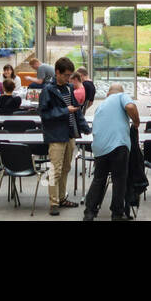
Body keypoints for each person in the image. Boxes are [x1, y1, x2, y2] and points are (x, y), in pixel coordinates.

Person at [36, 56, 89, 216]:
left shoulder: (68, 88)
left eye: (70, 76)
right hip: (56, 136)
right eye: (66, 75)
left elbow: (77, 109)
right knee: (54, 170)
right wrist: (66, 111)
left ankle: (61, 197)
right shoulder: (48, 90)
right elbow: (44, 114)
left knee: (66, 168)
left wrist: (84, 127)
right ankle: (53, 202)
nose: (68, 79)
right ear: (57, 72)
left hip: (69, 134)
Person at [83, 83, 139, 221]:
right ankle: (116, 214)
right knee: (119, 180)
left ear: (107, 94)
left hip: (99, 147)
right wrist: (136, 122)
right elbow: (130, 107)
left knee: (99, 179)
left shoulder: (100, 106)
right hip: (118, 145)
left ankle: (89, 212)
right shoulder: (121, 96)